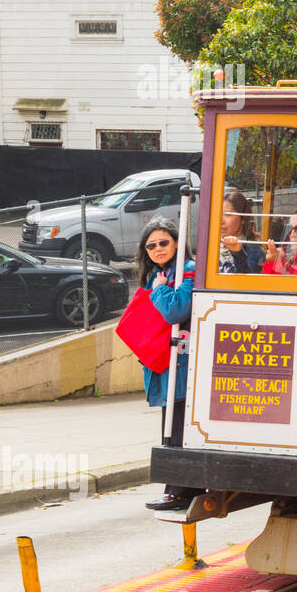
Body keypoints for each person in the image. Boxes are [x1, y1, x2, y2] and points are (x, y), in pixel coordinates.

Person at [137, 219, 201, 512]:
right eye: (151, 245)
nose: (158, 249)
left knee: (177, 427)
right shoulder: (159, 275)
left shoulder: (188, 268)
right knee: (171, 425)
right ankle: (177, 488)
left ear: (177, 242)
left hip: (185, 362)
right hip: (165, 361)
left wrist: (161, 290)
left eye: (163, 242)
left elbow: (177, 309)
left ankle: (180, 491)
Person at [216, 190, 264, 274]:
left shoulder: (254, 251)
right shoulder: (211, 244)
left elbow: (246, 282)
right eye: (219, 214)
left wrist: (238, 254)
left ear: (243, 219)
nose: (221, 220)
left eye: (227, 215)